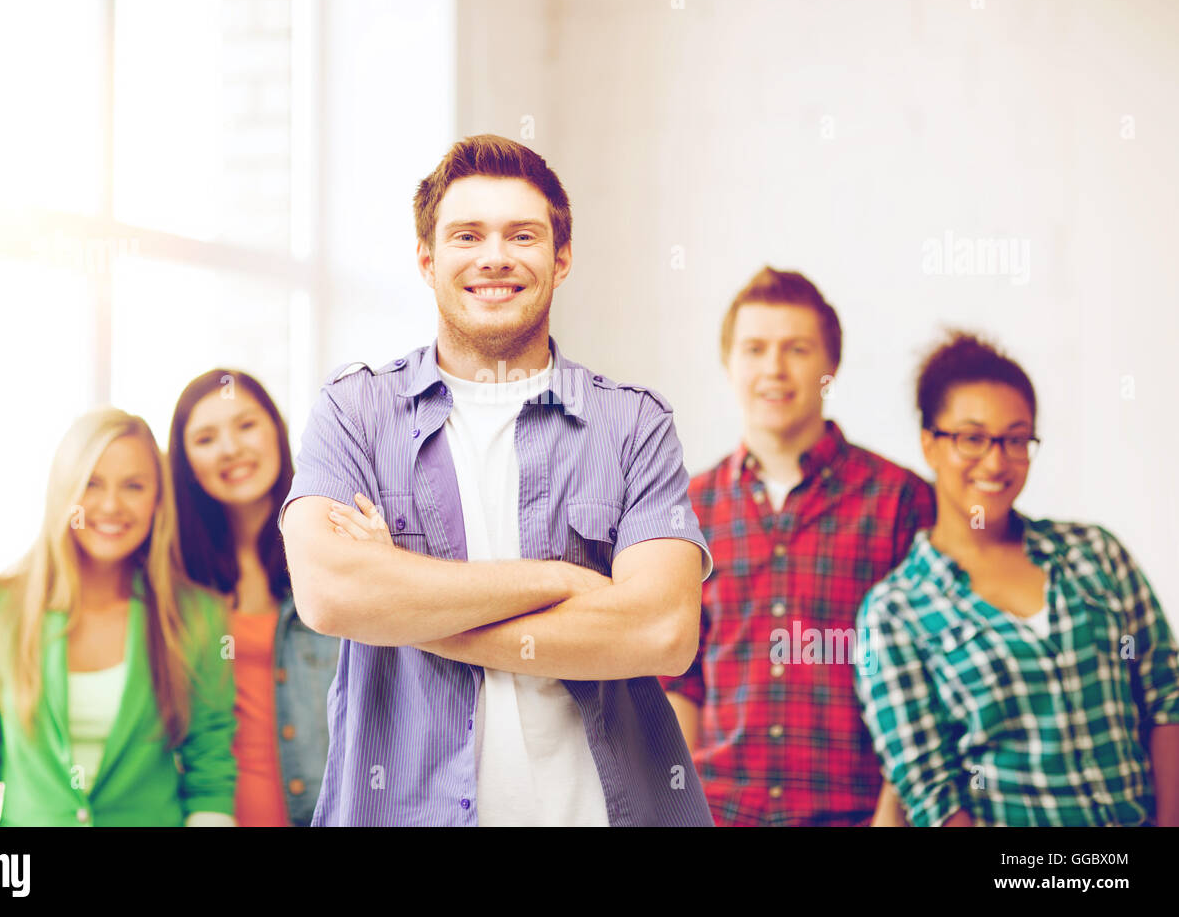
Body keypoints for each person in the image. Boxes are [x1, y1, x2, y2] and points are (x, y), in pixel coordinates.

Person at [279, 134, 715, 826]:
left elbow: (662, 628)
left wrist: (407, 607)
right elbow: (332, 594)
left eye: (523, 234)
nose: (495, 257)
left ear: (560, 257)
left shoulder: (634, 426)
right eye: (466, 235)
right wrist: (561, 580)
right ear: (428, 260)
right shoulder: (355, 413)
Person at [855, 332, 1179, 826]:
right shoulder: (895, 613)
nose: (996, 460)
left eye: (1015, 438)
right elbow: (933, 796)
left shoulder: (1096, 555)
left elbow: (1166, 697)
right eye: (972, 437)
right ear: (930, 443)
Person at [659, 267, 935, 826]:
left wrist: (892, 817)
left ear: (830, 368)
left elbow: (927, 674)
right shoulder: (689, 505)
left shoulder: (901, 501)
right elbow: (679, 678)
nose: (773, 369)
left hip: (856, 813)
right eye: (755, 348)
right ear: (729, 363)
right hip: (722, 812)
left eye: (797, 349)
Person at [0, 408, 236, 826]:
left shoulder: (196, 614)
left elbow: (210, 776)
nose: (111, 505)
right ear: (63, 491)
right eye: (92, 484)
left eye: (134, 486)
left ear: (157, 499)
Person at [170, 369, 339, 826]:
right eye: (205, 438)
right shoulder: (173, 576)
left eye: (246, 425)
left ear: (277, 430)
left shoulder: (330, 550)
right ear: (184, 460)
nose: (230, 449)